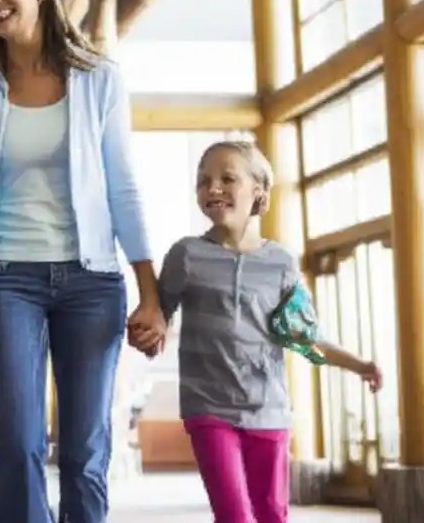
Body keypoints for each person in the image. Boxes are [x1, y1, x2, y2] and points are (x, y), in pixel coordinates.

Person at [0, 0, 167, 523]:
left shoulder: (100, 79)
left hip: (92, 280)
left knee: (86, 448)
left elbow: (124, 187)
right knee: (17, 443)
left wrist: (152, 294)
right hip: (7, 279)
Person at [158, 140, 382, 523]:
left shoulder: (281, 262)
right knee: (235, 516)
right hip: (208, 408)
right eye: (203, 181)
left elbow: (304, 336)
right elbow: (157, 317)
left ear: (258, 191)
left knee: (272, 515)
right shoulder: (186, 255)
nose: (212, 187)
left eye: (227, 178)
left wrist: (359, 364)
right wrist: (146, 333)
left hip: (270, 410)